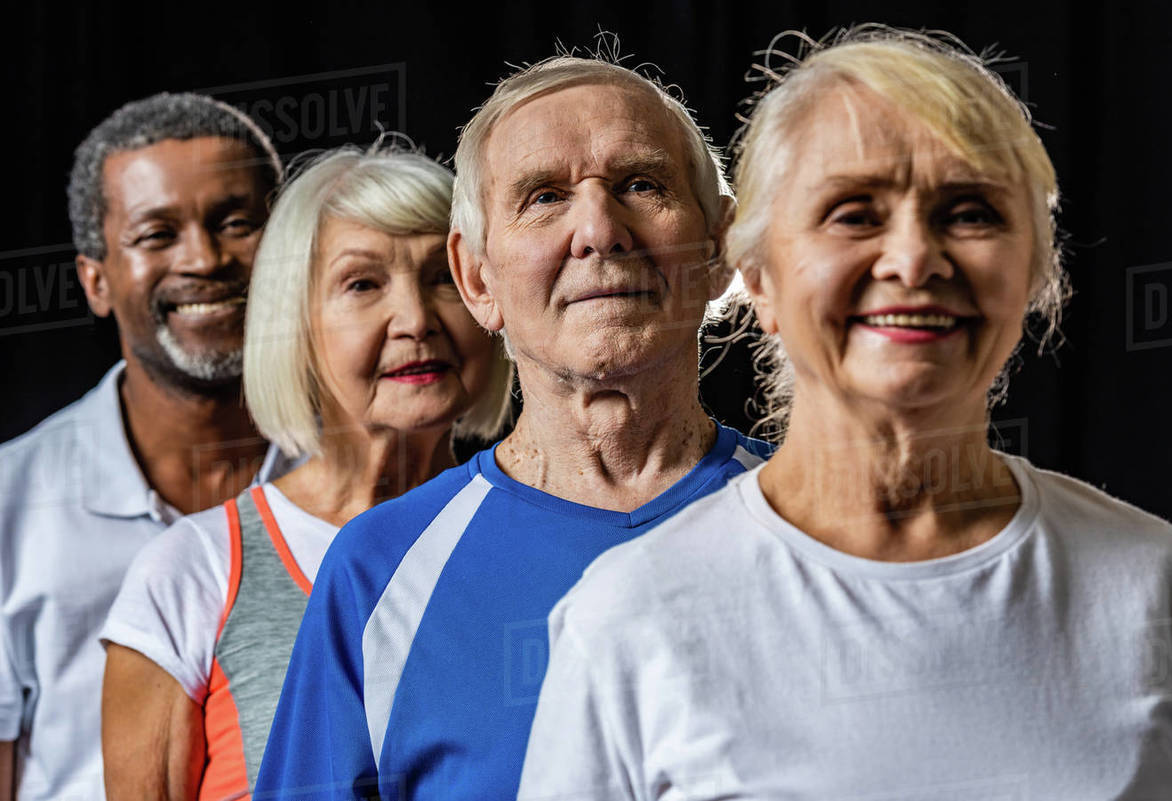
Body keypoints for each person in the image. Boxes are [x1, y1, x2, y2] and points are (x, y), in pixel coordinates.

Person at [518, 25, 1172, 800]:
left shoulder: (1159, 584)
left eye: (970, 212)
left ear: (1035, 269)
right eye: (853, 213)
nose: (913, 260)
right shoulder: (630, 618)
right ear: (757, 276)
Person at [254, 54, 773, 800]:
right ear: (476, 278)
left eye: (641, 184)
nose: (599, 231)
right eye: (544, 197)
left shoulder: (827, 527)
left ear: (720, 246)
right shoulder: (378, 573)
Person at [98, 143, 512, 800]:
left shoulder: (541, 536)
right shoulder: (191, 573)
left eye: (443, 277)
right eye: (362, 284)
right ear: (295, 326)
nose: (415, 319)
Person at [0, 92, 290, 801]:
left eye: (236, 223)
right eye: (157, 233)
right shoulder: (11, 501)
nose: (205, 258)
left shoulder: (366, 472)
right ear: (95, 280)